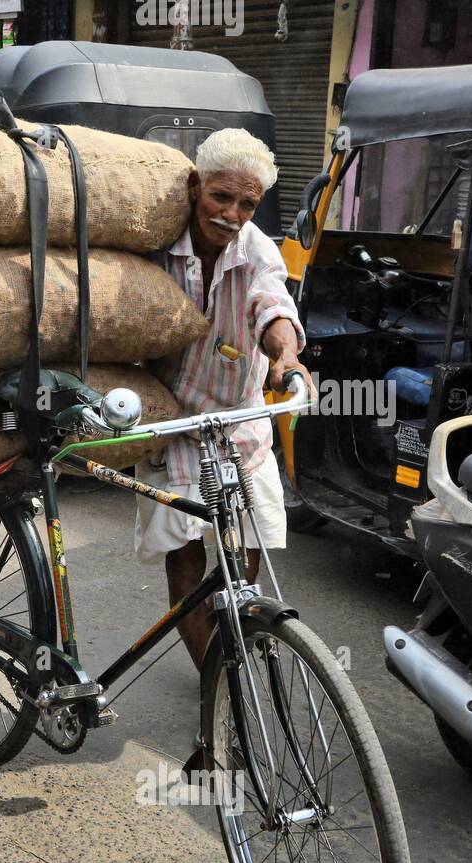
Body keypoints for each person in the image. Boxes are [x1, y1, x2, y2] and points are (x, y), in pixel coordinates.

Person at [135, 128, 312, 671]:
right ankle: (216, 678)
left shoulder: (258, 250)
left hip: (240, 426)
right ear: (195, 186)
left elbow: (272, 303)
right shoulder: (155, 243)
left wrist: (285, 358)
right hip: (171, 423)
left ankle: (231, 651)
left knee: (244, 555)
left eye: (247, 203)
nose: (232, 214)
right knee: (185, 558)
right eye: (221, 197)